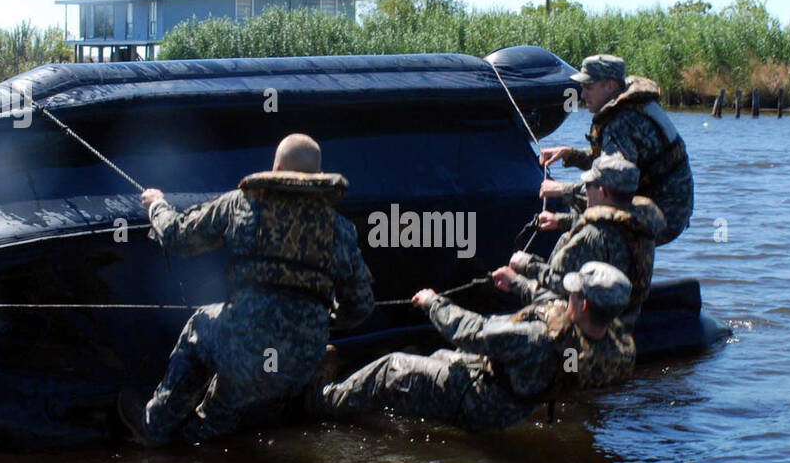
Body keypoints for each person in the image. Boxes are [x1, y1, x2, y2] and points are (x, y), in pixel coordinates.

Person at [120, 133, 375, 445]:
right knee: (217, 418)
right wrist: (324, 320)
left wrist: (157, 205)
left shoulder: (240, 205)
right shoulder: (342, 230)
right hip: (299, 363)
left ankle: (155, 426)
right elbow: (361, 305)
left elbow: (177, 236)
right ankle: (205, 434)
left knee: (200, 325)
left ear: (276, 167)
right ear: (319, 177)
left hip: (246, 351)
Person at [312, 261, 636, 431]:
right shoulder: (609, 340)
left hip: (481, 405)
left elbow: (473, 332)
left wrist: (432, 302)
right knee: (436, 357)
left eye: (575, 294)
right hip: (516, 401)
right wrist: (518, 282)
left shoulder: (536, 340)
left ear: (581, 307)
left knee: (392, 368)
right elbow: (551, 304)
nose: (569, 296)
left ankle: (322, 400)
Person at [491, 153, 664, 332]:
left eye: (588, 185)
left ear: (602, 191)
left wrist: (525, 267)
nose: (585, 190)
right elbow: (609, 221)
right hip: (623, 321)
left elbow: (560, 283)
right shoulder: (641, 225)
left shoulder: (591, 238)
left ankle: (563, 358)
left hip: (583, 330)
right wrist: (562, 220)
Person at [539, 54, 693, 245]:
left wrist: (561, 189)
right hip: (670, 207)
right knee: (584, 204)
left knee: (586, 224)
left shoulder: (622, 122)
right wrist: (571, 154)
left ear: (610, 86)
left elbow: (615, 182)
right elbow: (614, 161)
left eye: (589, 88)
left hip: (663, 215)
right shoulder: (633, 107)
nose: (583, 95)